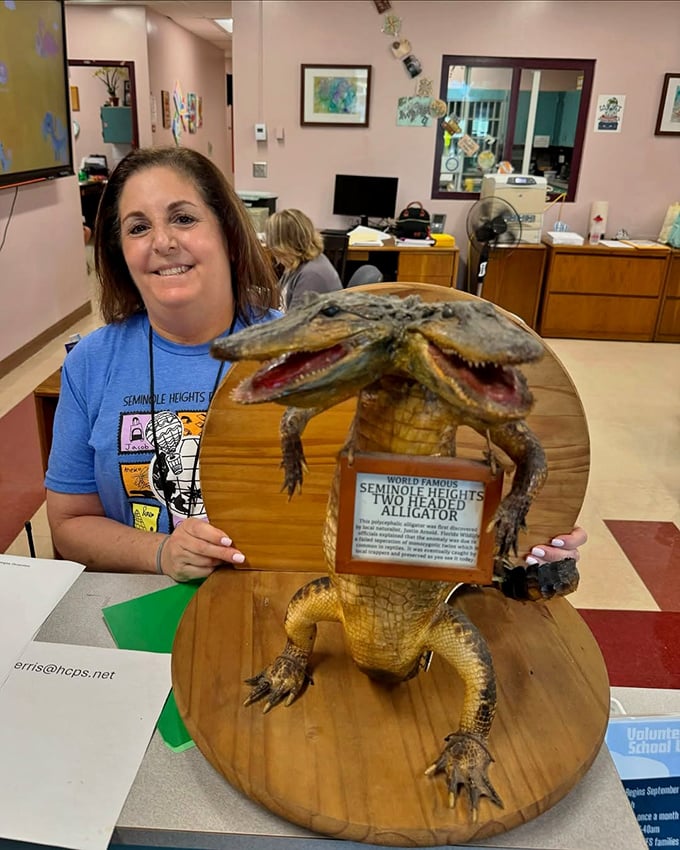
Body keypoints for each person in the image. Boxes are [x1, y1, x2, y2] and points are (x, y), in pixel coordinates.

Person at [45, 146, 280, 583]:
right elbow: (68, 523)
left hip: (273, 599)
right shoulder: (90, 365)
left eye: (184, 218)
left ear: (227, 233)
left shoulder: (299, 352)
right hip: (143, 607)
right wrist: (162, 552)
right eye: (139, 227)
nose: (163, 242)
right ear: (121, 253)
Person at [264, 208, 343, 310]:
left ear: (282, 245)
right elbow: (278, 295)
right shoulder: (296, 262)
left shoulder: (311, 275)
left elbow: (295, 322)